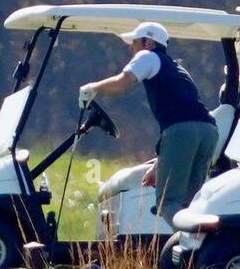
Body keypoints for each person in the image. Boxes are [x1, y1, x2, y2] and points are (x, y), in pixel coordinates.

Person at [79, 22, 219, 226]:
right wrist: (159, 164)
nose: (131, 48)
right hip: (208, 131)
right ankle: (201, 249)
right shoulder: (176, 67)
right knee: (190, 205)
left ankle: (193, 242)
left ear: (149, 42)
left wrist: (93, 88)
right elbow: (188, 114)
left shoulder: (147, 56)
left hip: (182, 132)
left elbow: (123, 81)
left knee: (168, 204)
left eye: (134, 42)